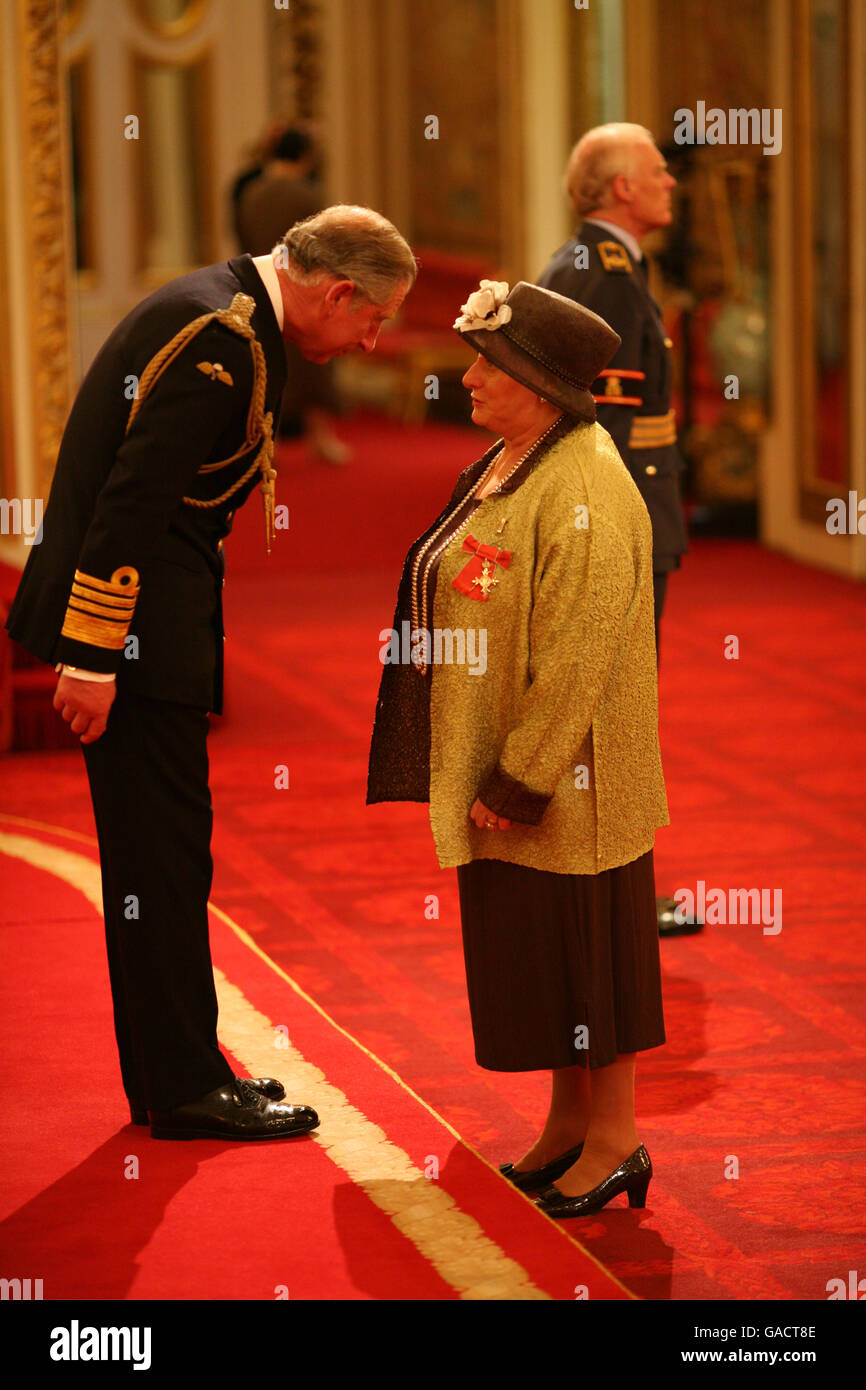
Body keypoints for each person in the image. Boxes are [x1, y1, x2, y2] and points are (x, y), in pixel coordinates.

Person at [7, 205, 416, 1141]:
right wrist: (91, 655)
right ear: (337, 290)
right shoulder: (223, 344)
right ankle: (185, 1087)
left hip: (153, 630)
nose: (373, 338)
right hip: (133, 641)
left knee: (170, 856)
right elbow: (132, 503)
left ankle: (178, 1068)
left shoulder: (236, 316)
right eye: (374, 318)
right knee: (160, 860)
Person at [367, 280, 669, 1217]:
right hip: (508, 761)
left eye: (486, 366)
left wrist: (520, 778)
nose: (466, 379)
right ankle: (568, 1120)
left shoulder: (585, 485)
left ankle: (616, 1138)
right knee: (537, 956)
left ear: (539, 382)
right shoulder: (519, 456)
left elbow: (580, 653)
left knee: (586, 954)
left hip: (567, 784)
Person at [537, 122, 701, 937]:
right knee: (611, 709)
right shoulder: (599, 276)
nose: (673, 183)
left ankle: (618, 884)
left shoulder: (608, 269)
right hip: (621, 521)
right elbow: (585, 418)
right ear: (621, 190)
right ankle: (611, 890)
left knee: (617, 709)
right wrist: (608, 530)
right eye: (659, 174)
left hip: (633, 515)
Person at [234, 124, 351, 464]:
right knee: (313, 362)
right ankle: (321, 437)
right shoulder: (307, 196)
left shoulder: (251, 193)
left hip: (261, 285)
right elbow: (327, 246)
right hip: (307, 288)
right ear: (305, 156)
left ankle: (271, 443)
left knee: (269, 364)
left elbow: (243, 241)